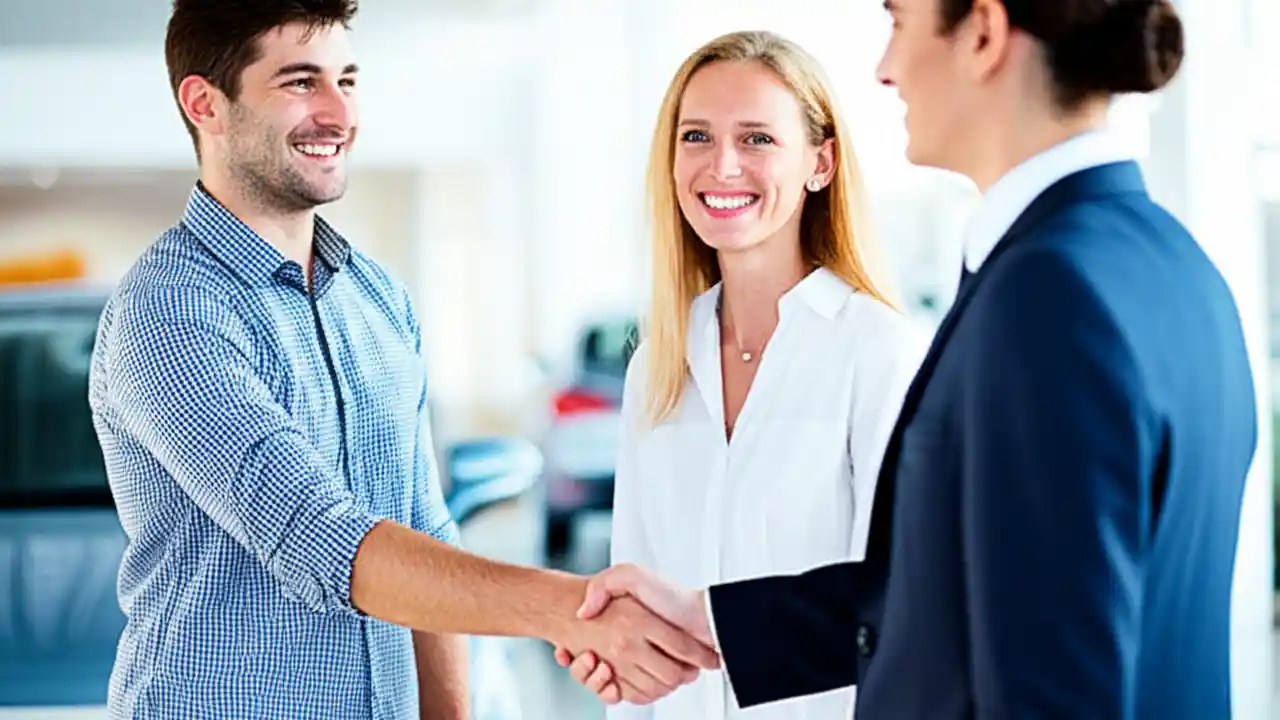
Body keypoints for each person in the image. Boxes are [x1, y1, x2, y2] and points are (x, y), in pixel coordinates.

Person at [559, 1, 1258, 718]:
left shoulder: (1048, 294)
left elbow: (1051, 674)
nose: (885, 69)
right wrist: (713, 620)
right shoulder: (1175, 268)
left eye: (898, 21)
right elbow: (943, 596)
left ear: (982, 33)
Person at [87, 1, 717, 717]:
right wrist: (573, 608)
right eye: (300, 83)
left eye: (346, 80)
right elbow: (322, 537)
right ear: (206, 104)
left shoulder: (379, 299)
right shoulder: (168, 311)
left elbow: (424, 529)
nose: (338, 114)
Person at [552, 30, 924, 719]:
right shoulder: (657, 364)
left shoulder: (877, 352)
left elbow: (904, 603)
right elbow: (632, 607)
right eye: (696, 137)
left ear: (821, 163)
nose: (722, 165)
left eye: (757, 138)